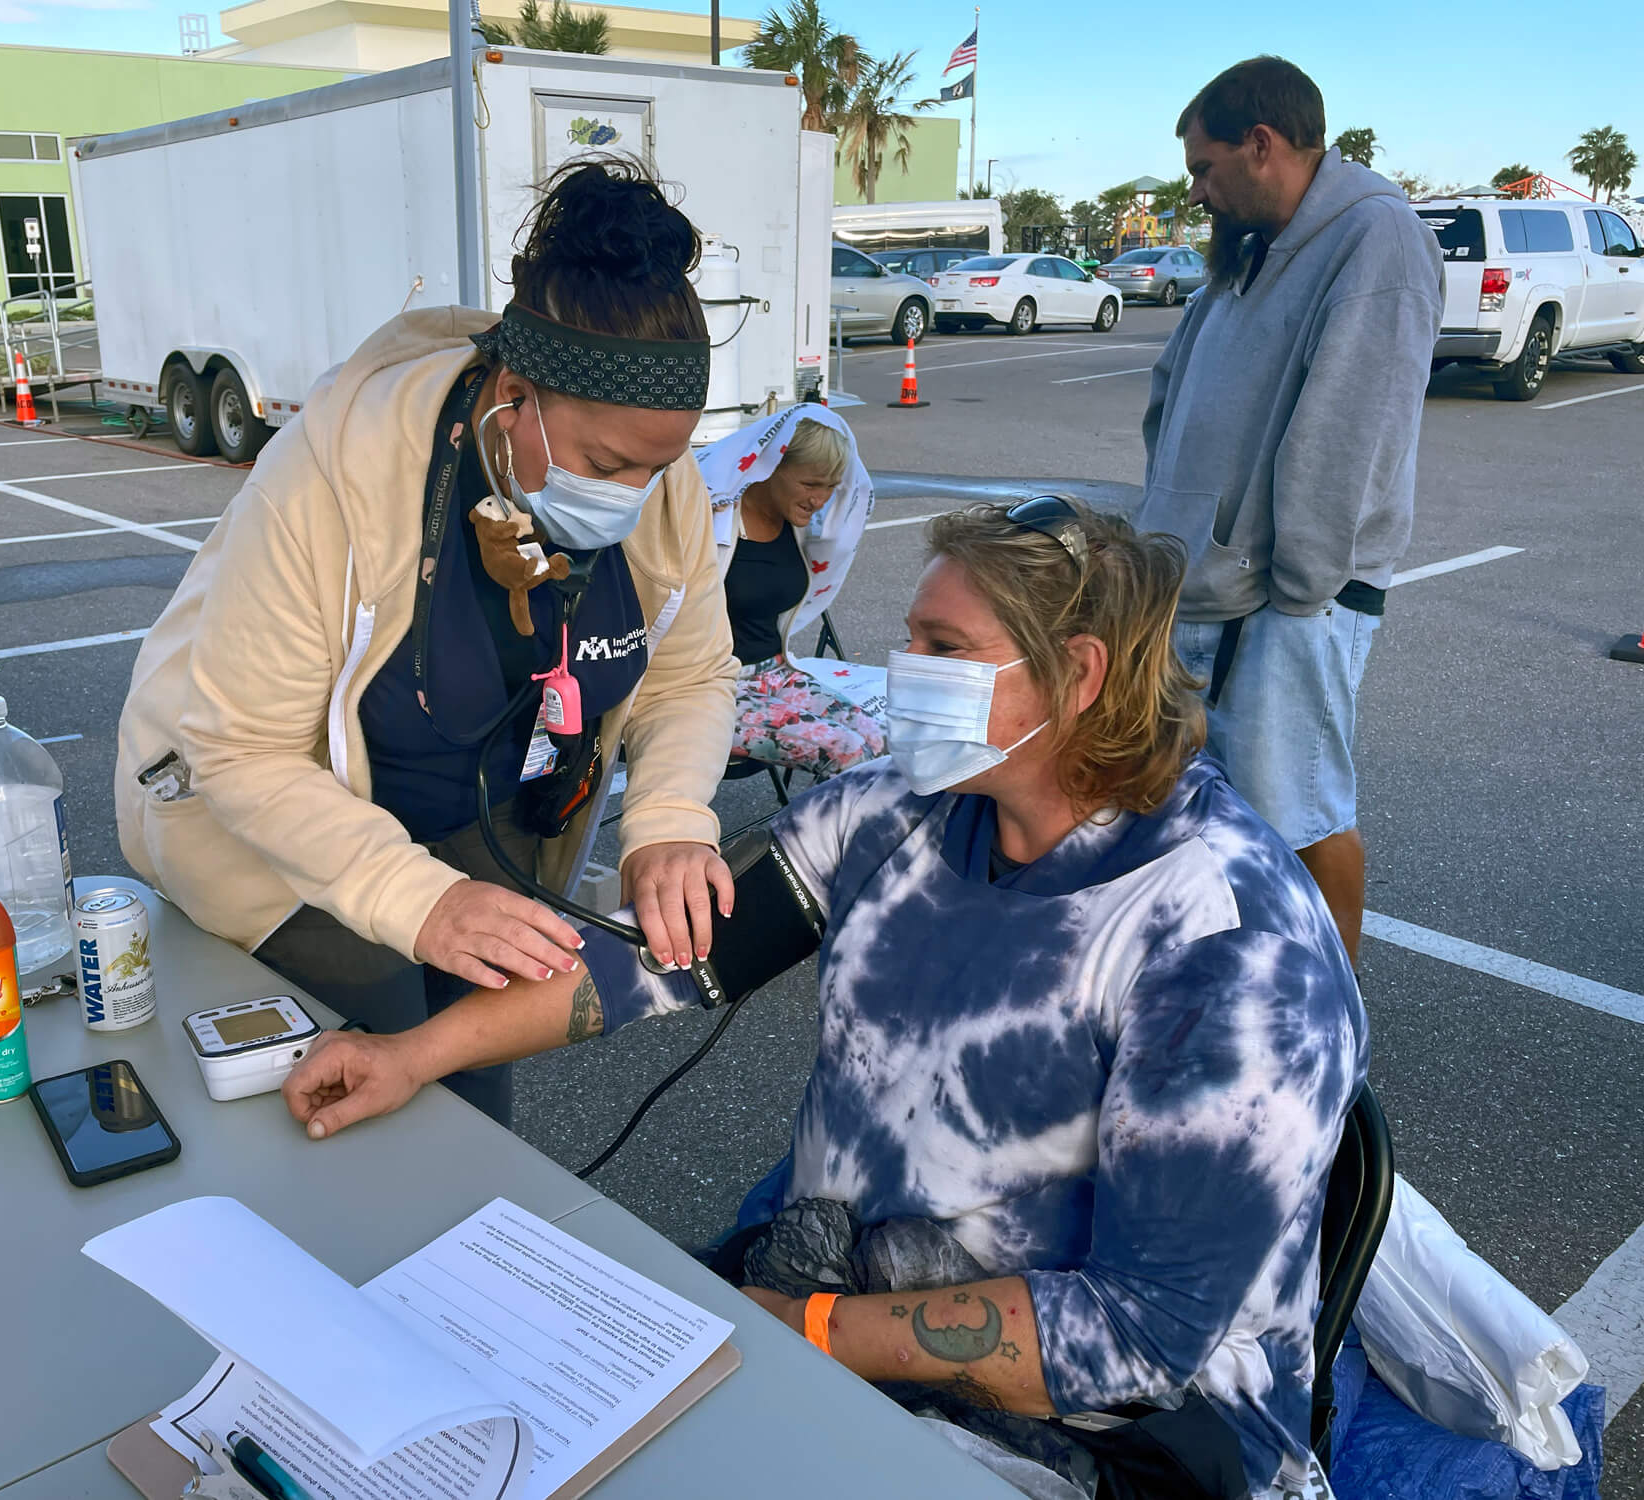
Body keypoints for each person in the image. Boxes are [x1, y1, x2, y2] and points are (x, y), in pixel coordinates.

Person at [281, 499, 1368, 1500]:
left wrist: (799, 1329)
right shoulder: (899, 809)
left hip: (1099, 1437)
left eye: (944, 649)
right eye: (909, 637)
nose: (904, 670)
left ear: (1077, 676)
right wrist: (416, 1055)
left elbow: (1138, 1338)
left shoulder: (1229, 944)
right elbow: (657, 961)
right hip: (822, 1309)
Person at [113, 160, 740, 1126]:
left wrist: (666, 820)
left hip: (482, 816)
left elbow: (691, 675)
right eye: (606, 463)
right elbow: (240, 751)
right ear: (512, 392)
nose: (632, 498)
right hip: (282, 833)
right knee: (361, 1058)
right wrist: (419, 903)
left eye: (660, 466)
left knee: (469, 1088)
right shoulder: (334, 473)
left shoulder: (664, 483)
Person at [1139, 56, 1442, 963]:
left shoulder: (1375, 238)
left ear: (1261, 144)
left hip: (1292, 597)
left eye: (1205, 167)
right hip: (1212, 579)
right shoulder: (1253, 248)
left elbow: (1353, 423)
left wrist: (1301, 588)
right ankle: (1243, 991)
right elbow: (1174, 390)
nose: (1197, 191)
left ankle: (1332, 1029)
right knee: (1215, 812)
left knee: (1300, 814)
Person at [697, 405, 886, 780]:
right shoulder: (711, 517)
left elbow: (838, 537)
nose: (821, 499)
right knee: (845, 751)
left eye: (832, 486)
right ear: (769, 466)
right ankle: (832, 835)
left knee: (878, 739)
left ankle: (859, 832)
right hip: (711, 686)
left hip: (777, 672)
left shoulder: (799, 527)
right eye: (810, 484)